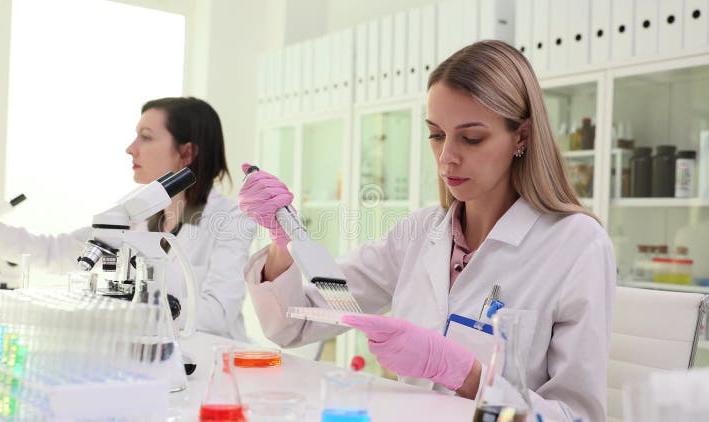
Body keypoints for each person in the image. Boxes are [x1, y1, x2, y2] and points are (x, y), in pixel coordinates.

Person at [238, 40, 615, 422]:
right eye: (436, 134)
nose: (447, 157)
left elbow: (576, 416)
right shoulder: (419, 233)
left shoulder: (576, 244)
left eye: (471, 138)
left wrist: (467, 376)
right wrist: (284, 240)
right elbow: (295, 324)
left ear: (522, 136)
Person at [0, 97, 256, 341]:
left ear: (186, 153)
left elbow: (219, 315)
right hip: (157, 358)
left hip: (219, 365)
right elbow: (54, 252)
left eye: (146, 136)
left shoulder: (229, 219)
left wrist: (136, 301)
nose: (131, 149)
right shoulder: (133, 209)